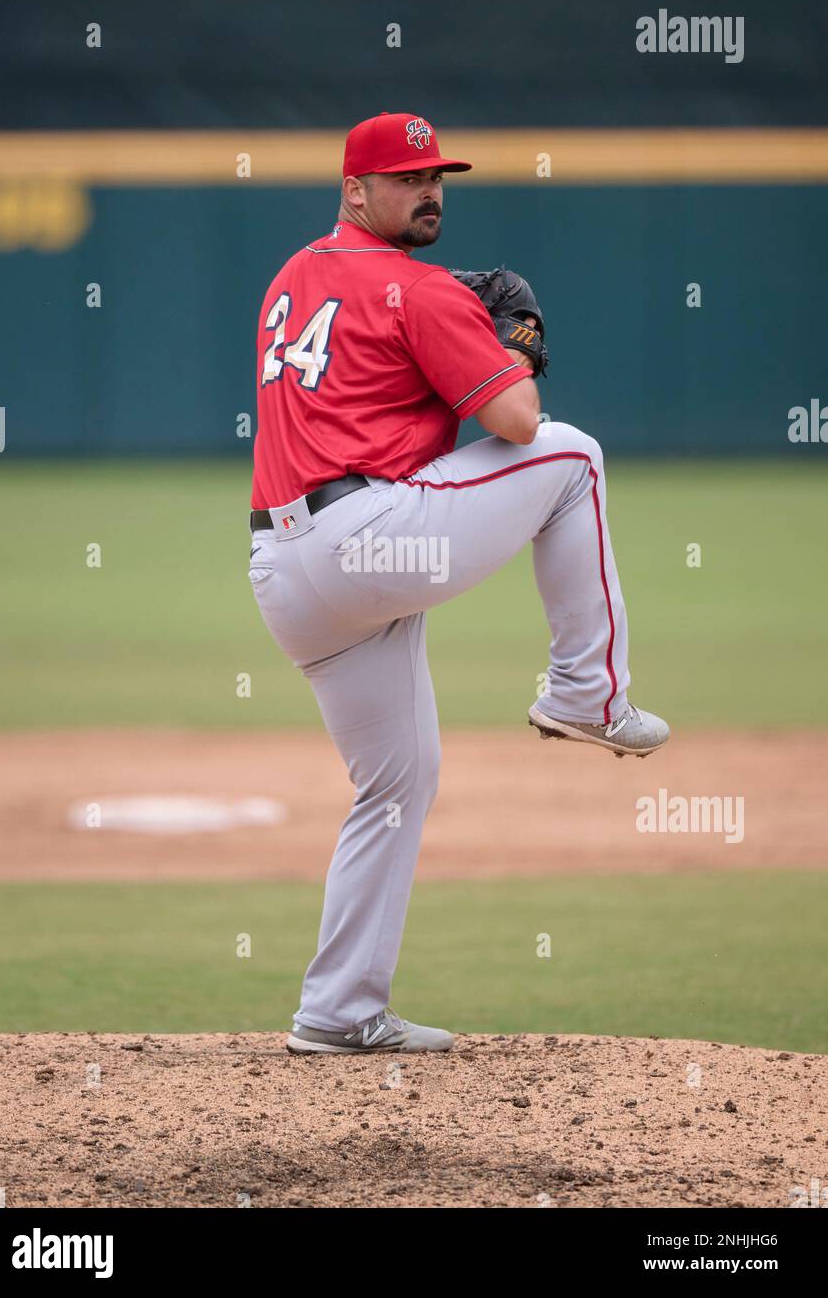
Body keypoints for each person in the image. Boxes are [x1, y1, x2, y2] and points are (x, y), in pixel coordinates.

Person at [248, 112, 669, 1055]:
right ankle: (585, 693)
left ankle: (339, 1010)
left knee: (399, 781)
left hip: (286, 572)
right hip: (365, 539)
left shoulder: (294, 276)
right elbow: (519, 418)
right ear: (356, 188)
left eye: (436, 175)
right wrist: (511, 344)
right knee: (573, 457)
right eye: (406, 178)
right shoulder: (418, 288)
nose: (428, 189)